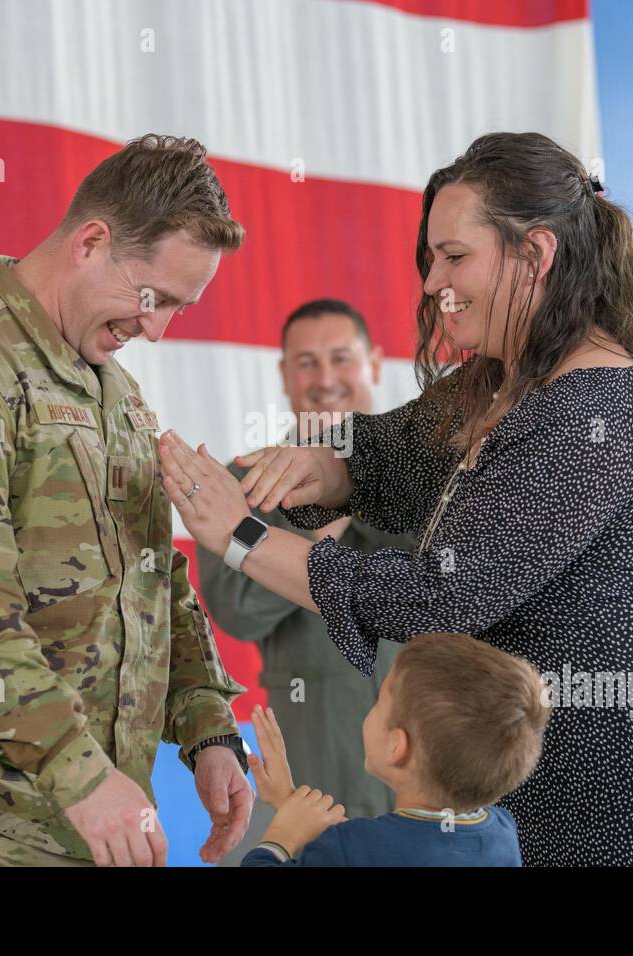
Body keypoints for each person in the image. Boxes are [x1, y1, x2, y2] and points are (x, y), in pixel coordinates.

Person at [158, 131, 633, 866]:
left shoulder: (591, 416)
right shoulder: (503, 384)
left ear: (536, 254)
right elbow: (394, 451)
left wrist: (243, 536)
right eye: (429, 259)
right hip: (536, 793)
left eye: (454, 257)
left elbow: (438, 598)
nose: (431, 283)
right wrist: (323, 464)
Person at [0, 134, 252, 867]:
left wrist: (207, 726)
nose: (155, 329)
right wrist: (79, 771)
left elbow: (152, 576)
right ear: (91, 241)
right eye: (152, 298)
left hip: (95, 824)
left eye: (178, 310)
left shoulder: (114, 391)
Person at [195, 299, 414, 865]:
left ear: (374, 365)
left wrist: (356, 486)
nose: (325, 380)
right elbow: (237, 607)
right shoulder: (242, 484)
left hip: (432, 769)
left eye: (340, 359)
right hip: (314, 774)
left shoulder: (426, 477)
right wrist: (321, 522)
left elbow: (458, 587)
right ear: (285, 375)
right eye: (307, 363)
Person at [239, 632, 546, 866]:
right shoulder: (502, 834)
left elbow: (366, 849)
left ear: (397, 746)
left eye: (379, 700)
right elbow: (397, 847)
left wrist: (282, 837)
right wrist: (287, 800)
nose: (370, 709)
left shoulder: (349, 847)